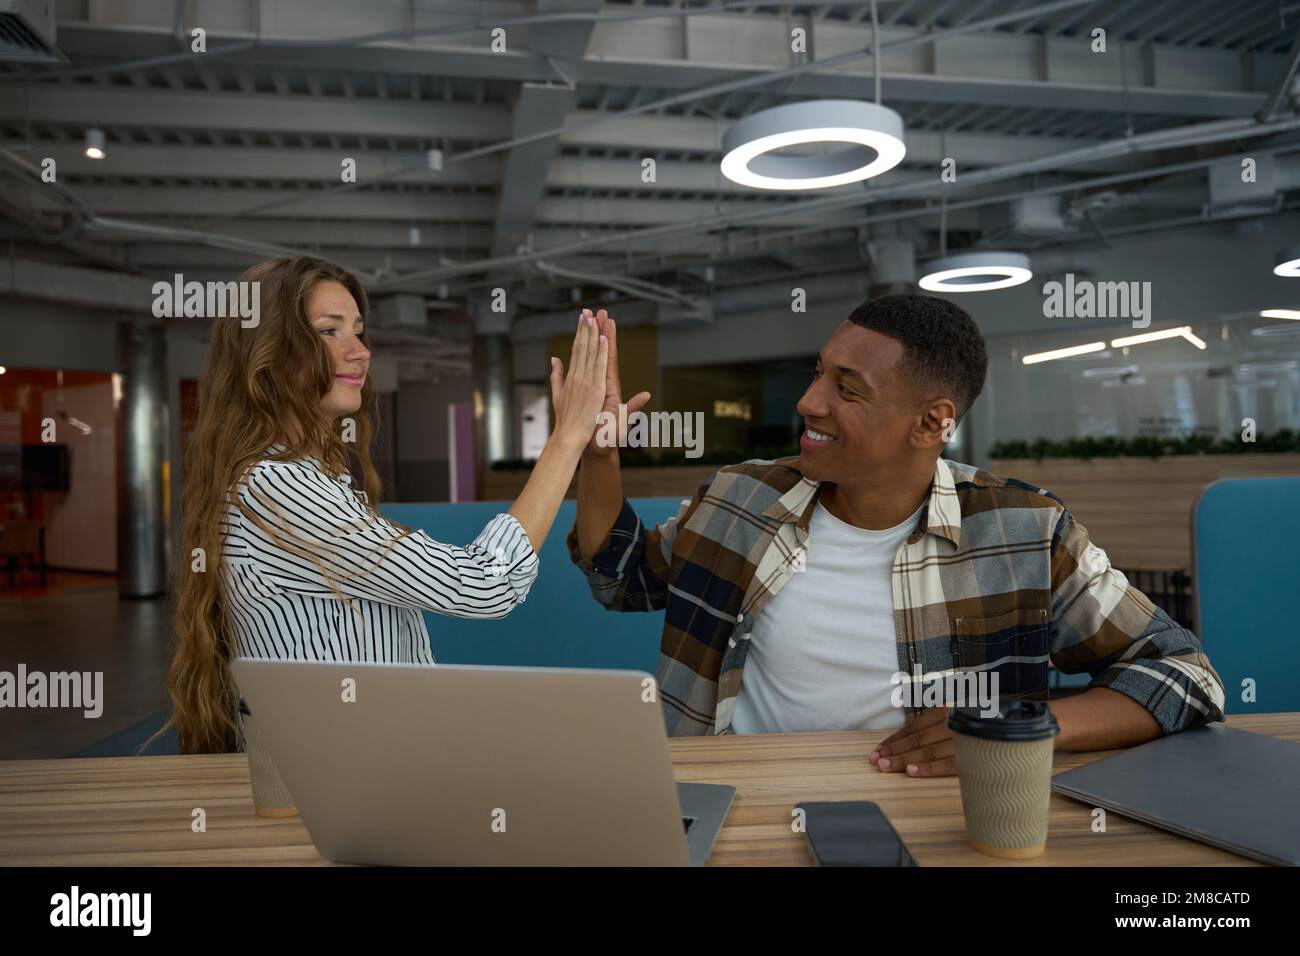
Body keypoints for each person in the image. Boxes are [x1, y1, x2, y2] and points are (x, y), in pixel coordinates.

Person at [568, 295, 1225, 777]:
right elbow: (618, 574)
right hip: (733, 803)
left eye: (846, 388)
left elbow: (1188, 676)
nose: (809, 400)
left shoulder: (1023, 534)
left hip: (933, 821)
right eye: (819, 372)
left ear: (931, 423)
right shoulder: (739, 501)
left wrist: (1020, 728)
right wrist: (597, 452)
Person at [165, 256, 607, 753]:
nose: (360, 352)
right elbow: (484, 584)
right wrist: (568, 436)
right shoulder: (280, 487)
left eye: (358, 330)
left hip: (360, 776)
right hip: (336, 787)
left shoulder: (299, 476)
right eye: (330, 331)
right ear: (268, 352)